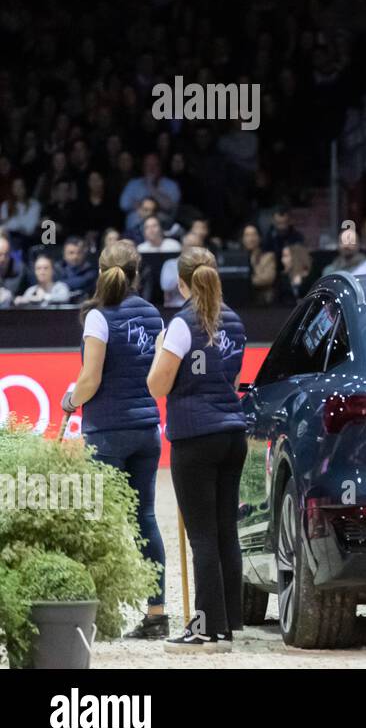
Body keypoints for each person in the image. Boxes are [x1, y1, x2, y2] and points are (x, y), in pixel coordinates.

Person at [62, 239, 167, 638]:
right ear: (137, 272)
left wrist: (70, 399)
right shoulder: (154, 314)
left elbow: (90, 379)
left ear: (101, 271)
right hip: (146, 431)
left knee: (97, 522)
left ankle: (96, 615)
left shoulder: (97, 316)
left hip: (106, 432)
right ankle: (156, 613)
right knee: (145, 520)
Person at [147, 247, 247, 651]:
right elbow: (231, 373)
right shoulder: (236, 320)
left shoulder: (181, 324)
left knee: (202, 536)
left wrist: (158, 349)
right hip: (232, 433)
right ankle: (228, 622)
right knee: (225, 531)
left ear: (181, 283)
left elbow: (157, 385)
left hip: (194, 436)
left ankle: (206, 627)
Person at [58, 236, 98, 300]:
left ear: (83, 254)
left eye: (79, 253)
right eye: (71, 253)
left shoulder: (90, 269)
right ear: (64, 254)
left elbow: (83, 282)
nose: (75, 256)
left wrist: (60, 283)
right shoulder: (57, 268)